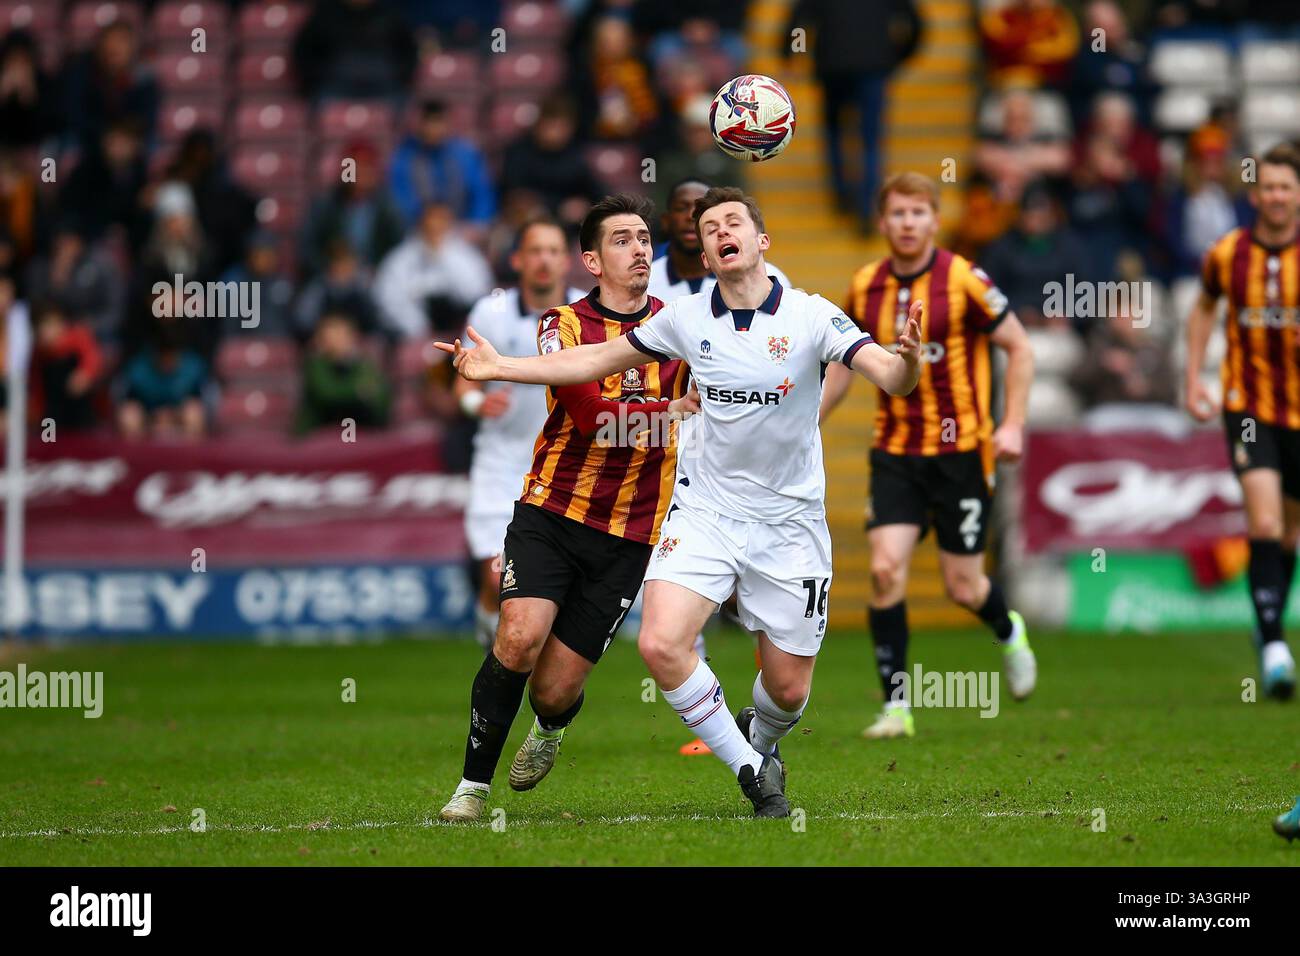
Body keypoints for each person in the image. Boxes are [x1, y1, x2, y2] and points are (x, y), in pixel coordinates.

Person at [439, 186, 923, 817]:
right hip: (644, 513)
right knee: (578, 641)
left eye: (733, 222)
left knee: (777, 689)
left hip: (755, 524)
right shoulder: (668, 322)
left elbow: (888, 376)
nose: (642, 248)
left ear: (761, 242)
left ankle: (753, 739)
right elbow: (591, 387)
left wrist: (909, 364)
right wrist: (500, 367)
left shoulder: (807, 315)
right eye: (708, 226)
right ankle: (477, 788)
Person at [435, 194, 698, 821]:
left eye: (644, 238)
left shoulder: (683, 326)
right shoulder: (564, 324)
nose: (639, 249)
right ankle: (471, 788)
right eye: (622, 240)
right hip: (552, 512)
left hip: (632, 533)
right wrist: (671, 418)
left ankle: (550, 729)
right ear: (592, 259)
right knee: (518, 639)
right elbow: (588, 417)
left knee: (555, 690)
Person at [820, 172, 1037, 739]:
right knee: (886, 571)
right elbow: (845, 362)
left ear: (935, 220)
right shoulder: (866, 285)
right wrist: (810, 418)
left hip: (962, 452)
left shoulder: (964, 278)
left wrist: (1011, 424)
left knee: (962, 587)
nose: (908, 223)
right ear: (884, 221)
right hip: (895, 454)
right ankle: (897, 708)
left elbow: (1018, 347)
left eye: (918, 212)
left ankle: (1008, 629)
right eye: (898, 213)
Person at [647, 176, 791, 758]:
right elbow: (615, 352)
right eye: (687, 212)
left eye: (713, 215)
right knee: (673, 607)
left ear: (760, 238)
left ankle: (757, 723)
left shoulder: (786, 299)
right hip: (671, 458)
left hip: (762, 477)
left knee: (757, 617)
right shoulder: (654, 288)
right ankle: (721, 735)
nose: (695, 219)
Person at [1184, 144, 1300, 700]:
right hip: (1249, 406)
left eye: (1286, 187)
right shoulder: (1228, 253)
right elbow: (1204, 306)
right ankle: (1276, 646)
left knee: (1289, 532)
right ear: (1255, 194)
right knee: (1264, 524)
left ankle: (1266, 622)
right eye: (1268, 186)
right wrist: (1193, 377)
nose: (1276, 196)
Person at [458, 217, 583, 650]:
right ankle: (489, 652)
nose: (544, 260)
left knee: (551, 594)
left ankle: (534, 677)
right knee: (497, 580)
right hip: (501, 461)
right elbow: (463, 382)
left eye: (553, 250)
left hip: (566, 468)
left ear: (567, 261)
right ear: (517, 260)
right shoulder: (489, 312)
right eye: (535, 250)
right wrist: (477, 403)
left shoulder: (586, 312)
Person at [373, 201, 493, 340]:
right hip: (413, 337)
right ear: (421, 224)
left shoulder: (467, 256)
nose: (435, 228)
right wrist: (420, 329)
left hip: (459, 334)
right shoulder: (400, 259)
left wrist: (443, 256)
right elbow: (389, 300)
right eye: (430, 224)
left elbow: (476, 294)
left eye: (441, 223)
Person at [387, 99, 496, 230]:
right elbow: (400, 201)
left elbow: (482, 195)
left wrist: (475, 225)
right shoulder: (404, 157)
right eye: (429, 122)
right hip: (418, 230)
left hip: (463, 229)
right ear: (420, 125)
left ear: (447, 124)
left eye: (438, 122)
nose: (433, 129)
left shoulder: (465, 155)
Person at [294, 312, 390, 434]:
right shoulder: (315, 364)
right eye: (333, 336)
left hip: (359, 431)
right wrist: (359, 392)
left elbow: (380, 396)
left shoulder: (363, 364)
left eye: (342, 335)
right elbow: (327, 393)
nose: (338, 341)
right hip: (318, 435)